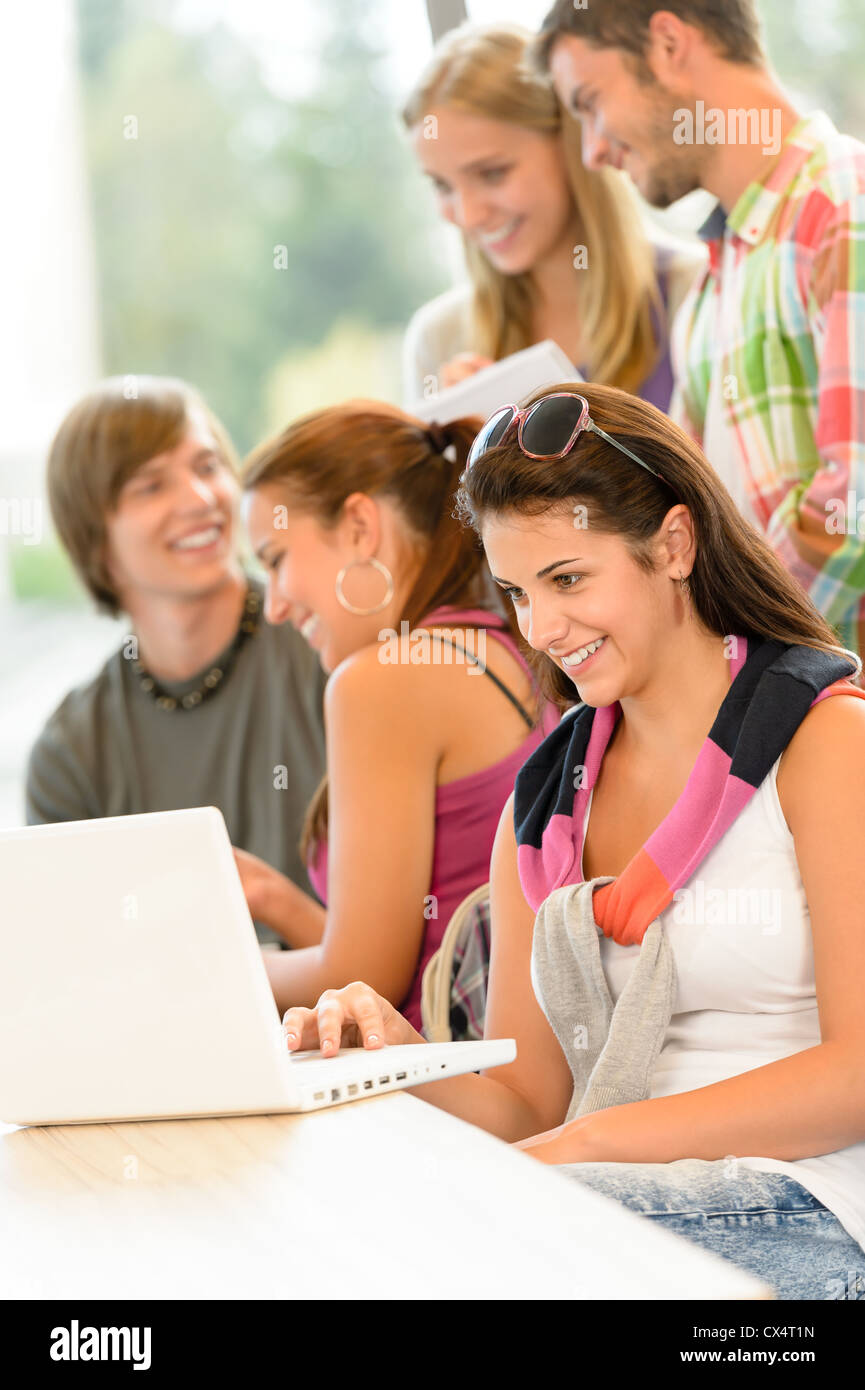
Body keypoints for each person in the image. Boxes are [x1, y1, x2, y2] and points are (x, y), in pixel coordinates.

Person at [281, 382, 865, 1302]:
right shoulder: (547, 800)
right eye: (516, 592)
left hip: (817, 1212)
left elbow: (856, 1074)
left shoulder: (825, 740)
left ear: (673, 545)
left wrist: (590, 1146)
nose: (542, 630)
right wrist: (393, 1061)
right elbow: (532, 1106)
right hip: (604, 1194)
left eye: (568, 579)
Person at [533, 0, 865, 663]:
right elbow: (683, 518)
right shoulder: (709, 293)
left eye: (591, 102)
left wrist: (728, 651)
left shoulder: (842, 205)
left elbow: (855, 499)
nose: (594, 150)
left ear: (666, 44)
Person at [238, 400, 558, 1032]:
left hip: (435, 1097)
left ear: (359, 526)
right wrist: (271, 897)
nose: (273, 605)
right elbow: (413, 944)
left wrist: (196, 971)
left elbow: (362, 978)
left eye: (275, 559)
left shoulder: (382, 681)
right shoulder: (498, 645)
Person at [26, 376, 327, 948]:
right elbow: (72, 966)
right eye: (151, 486)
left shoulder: (327, 645)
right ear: (95, 538)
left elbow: (405, 959)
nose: (200, 499)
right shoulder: (71, 753)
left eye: (208, 465)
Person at [400, 22, 705, 410]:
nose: (470, 215)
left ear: (571, 141)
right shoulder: (439, 342)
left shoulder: (694, 295)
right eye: (442, 186)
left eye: (493, 173)